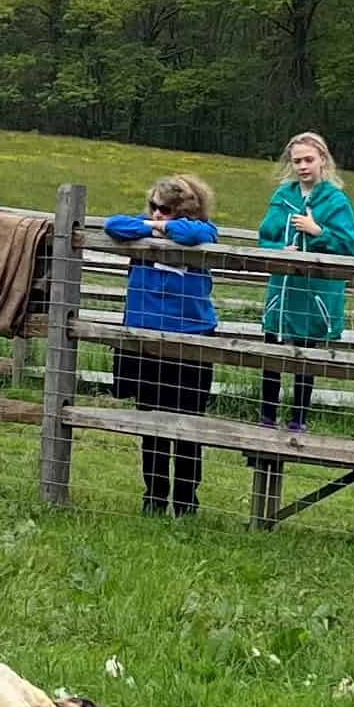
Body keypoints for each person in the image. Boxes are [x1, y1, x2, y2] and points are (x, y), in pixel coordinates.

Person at [105, 175, 219, 516]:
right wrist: (154, 226)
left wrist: (164, 229)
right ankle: (154, 496)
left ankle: (186, 502)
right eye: (152, 207)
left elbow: (195, 234)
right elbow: (115, 225)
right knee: (150, 424)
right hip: (145, 339)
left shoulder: (203, 231)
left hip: (191, 338)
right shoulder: (142, 227)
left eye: (164, 209)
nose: (155, 214)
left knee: (188, 425)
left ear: (184, 210)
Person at [258, 131, 354, 433]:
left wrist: (318, 232)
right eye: (297, 161)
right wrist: (280, 251)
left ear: (322, 160)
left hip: (313, 292)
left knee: (305, 357)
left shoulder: (335, 200)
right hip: (283, 289)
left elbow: (348, 245)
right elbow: (266, 237)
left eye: (308, 160)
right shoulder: (283, 197)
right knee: (271, 352)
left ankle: (298, 418)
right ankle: (267, 415)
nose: (303, 166)